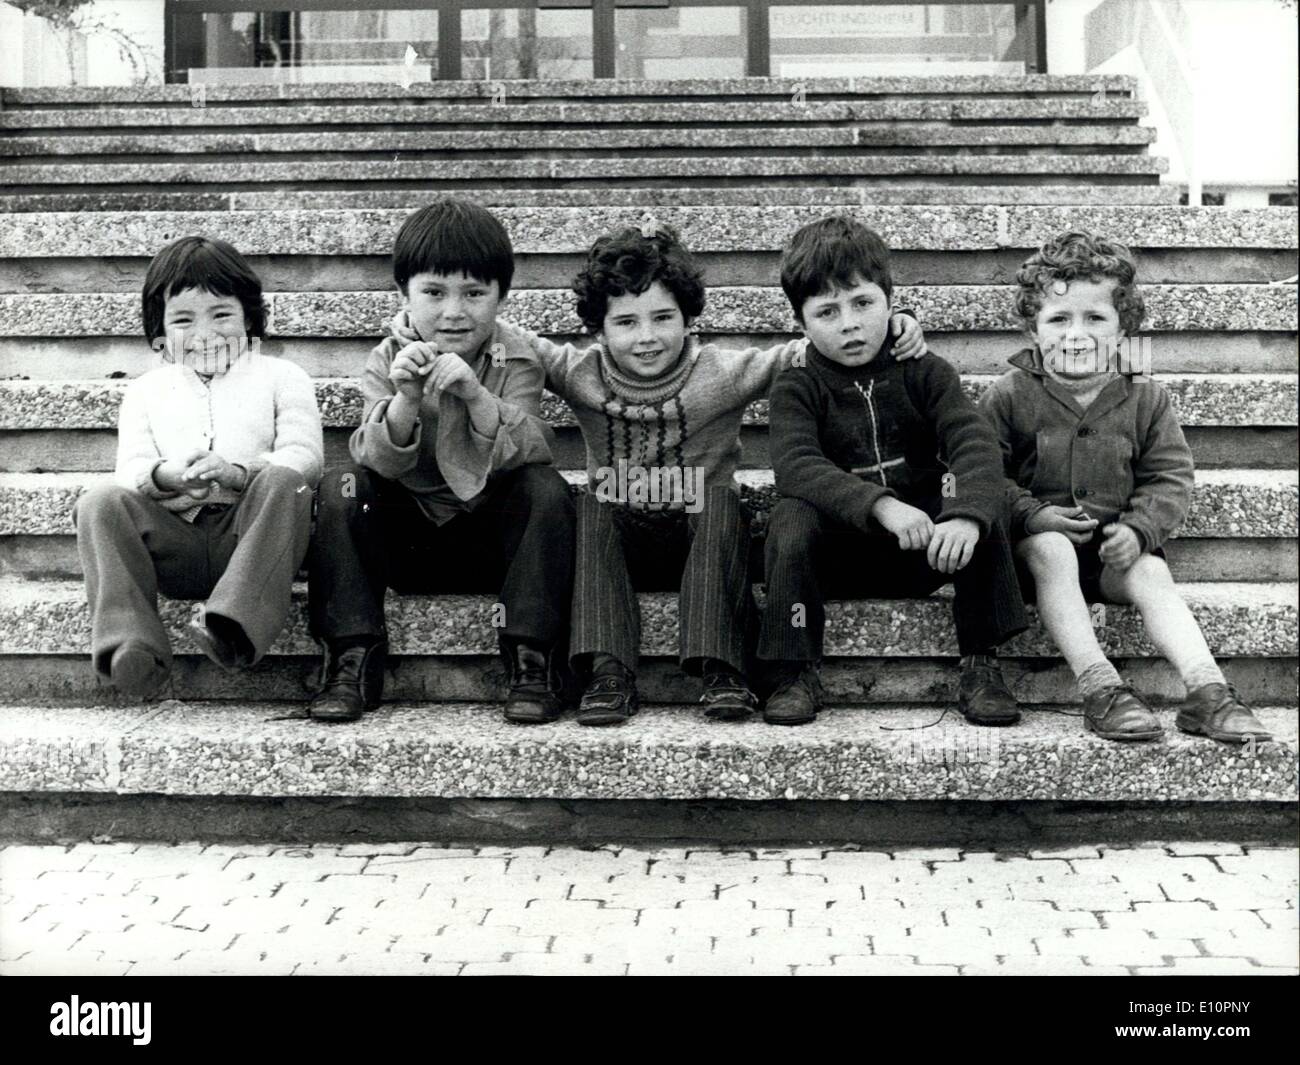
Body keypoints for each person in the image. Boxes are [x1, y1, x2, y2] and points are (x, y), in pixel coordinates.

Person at [481, 224, 929, 725]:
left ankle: (723, 668)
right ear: (598, 331)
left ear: (689, 318)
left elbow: (804, 348)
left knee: (718, 500)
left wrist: (898, 324)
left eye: (663, 317)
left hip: (706, 543)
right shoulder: (579, 372)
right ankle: (608, 670)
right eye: (625, 322)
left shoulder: (720, 372)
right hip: (620, 547)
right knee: (590, 502)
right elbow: (509, 335)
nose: (647, 337)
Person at [980, 229, 1271, 743]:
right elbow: (983, 476)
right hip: (1034, 560)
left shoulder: (1146, 398)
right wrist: (1031, 514)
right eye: (1059, 319)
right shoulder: (1007, 396)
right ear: (1033, 328)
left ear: (1122, 328)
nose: (1076, 333)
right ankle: (1101, 688)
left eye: (1095, 318)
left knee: (1151, 570)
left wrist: (1138, 531)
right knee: (1051, 548)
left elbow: (1169, 476)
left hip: (1112, 555)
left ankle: (1208, 692)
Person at [308, 199, 575, 724]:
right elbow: (374, 459)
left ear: (502, 296)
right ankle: (351, 656)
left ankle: (532, 657)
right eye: (434, 292)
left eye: (474, 293)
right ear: (403, 294)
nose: (454, 311)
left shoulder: (515, 356)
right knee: (343, 484)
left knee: (546, 488)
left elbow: (533, 446)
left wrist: (476, 395)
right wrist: (406, 399)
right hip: (408, 541)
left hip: (490, 541)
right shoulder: (388, 357)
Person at [757, 215, 1028, 726]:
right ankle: (793, 669)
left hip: (927, 547)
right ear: (801, 323)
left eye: (863, 303)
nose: (849, 324)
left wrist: (964, 515)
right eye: (827, 311)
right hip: (838, 554)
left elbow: (972, 441)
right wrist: (880, 506)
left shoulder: (924, 370)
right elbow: (796, 465)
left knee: (982, 495)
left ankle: (982, 662)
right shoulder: (797, 383)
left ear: (890, 301)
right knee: (790, 516)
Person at [75, 236, 322, 697]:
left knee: (287, 482)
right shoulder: (145, 392)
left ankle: (233, 626)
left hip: (251, 542)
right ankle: (131, 646)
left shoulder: (284, 378)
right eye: (183, 320)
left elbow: (305, 457)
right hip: (174, 544)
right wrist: (166, 477)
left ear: (249, 317)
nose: (204, 333)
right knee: (100, 501)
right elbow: (131, 468)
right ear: (160, 329)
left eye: (221, 315)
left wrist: (237, 472)